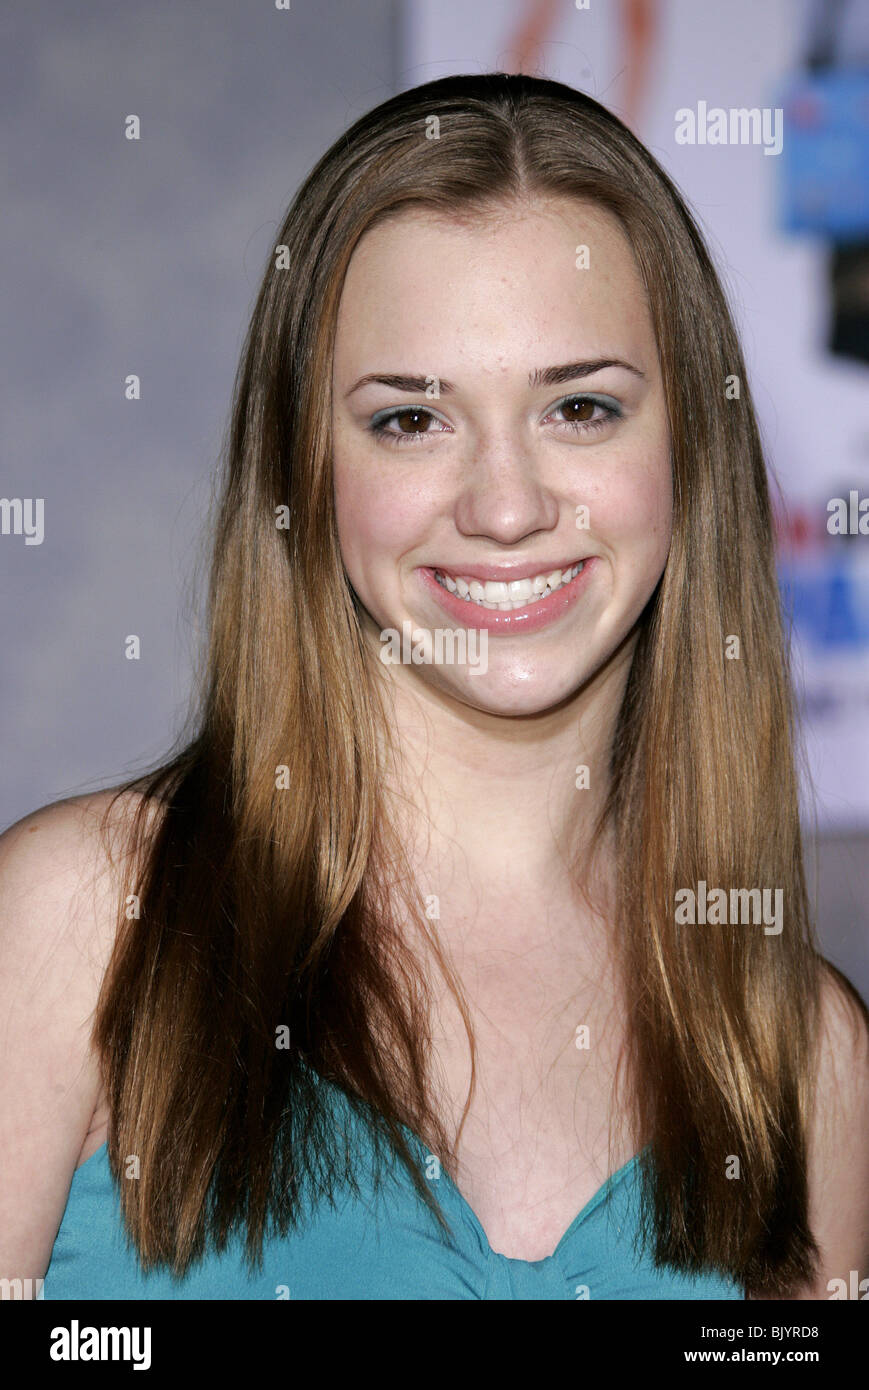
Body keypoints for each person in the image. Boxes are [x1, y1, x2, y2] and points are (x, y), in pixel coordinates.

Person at [2, 72, 867, 1302]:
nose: (504, 506)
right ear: (304, 468)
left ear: (690, 451)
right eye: (410, 420)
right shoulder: (79, 928)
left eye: (580, 407)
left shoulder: (805, 1062)